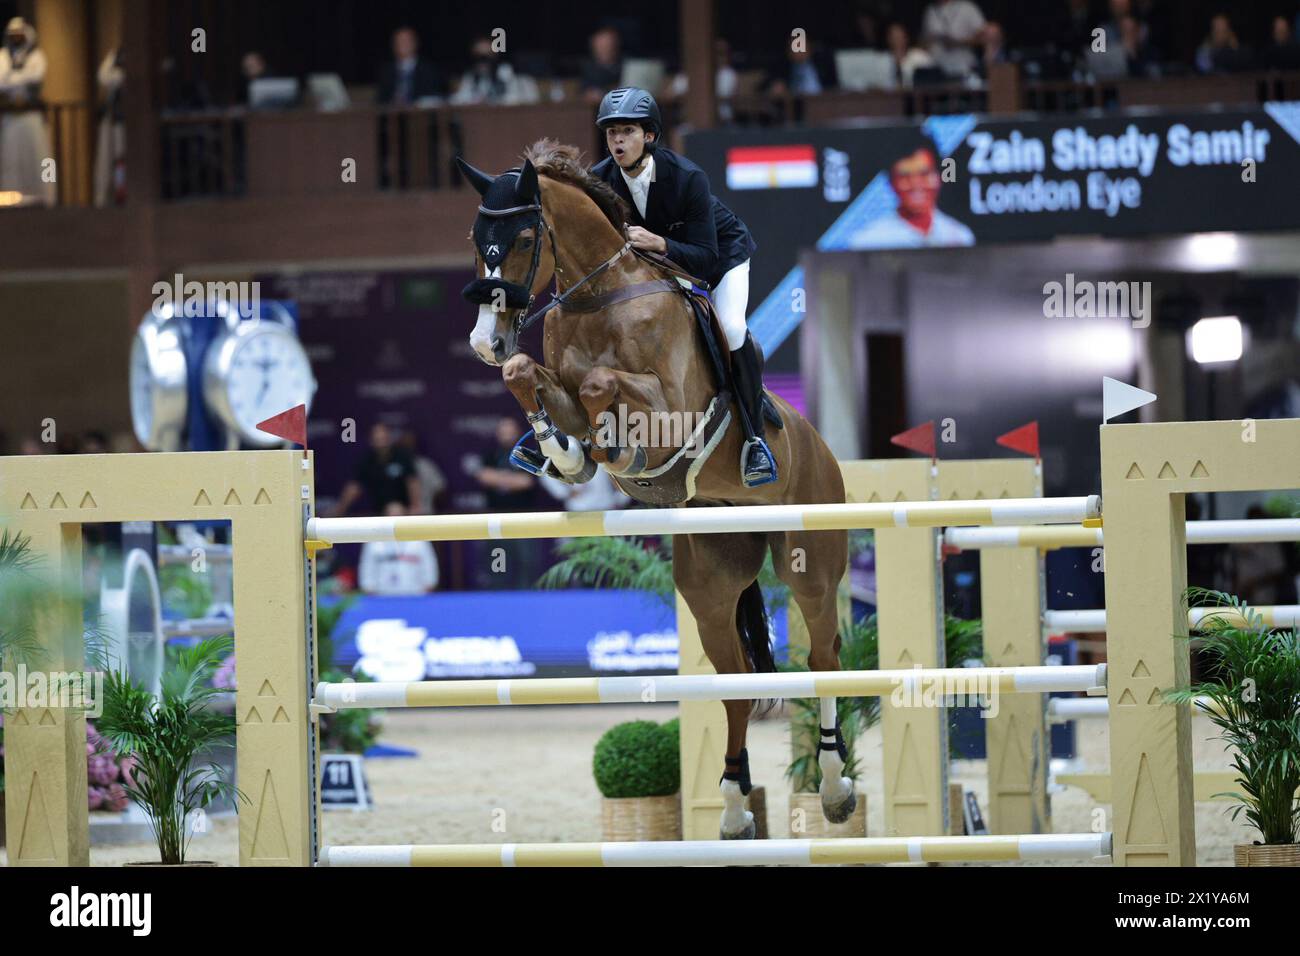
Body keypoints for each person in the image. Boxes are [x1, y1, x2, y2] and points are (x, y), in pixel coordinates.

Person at [589, 87, 776, 487]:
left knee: (731, 327)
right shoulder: (599, 182)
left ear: (650, 136)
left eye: (626, 131)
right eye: (611, 134)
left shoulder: (687, 177)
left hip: (720, 257)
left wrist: (660, 242)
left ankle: (755, 440)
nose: (617, 141)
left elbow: (706, 258)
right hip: (659, 267)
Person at [850, 130, 975, 249]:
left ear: (939, 176)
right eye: (904, 176)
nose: (916, 184)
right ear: (891, 182)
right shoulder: (869, 241)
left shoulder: (960, 236)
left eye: (924, 174)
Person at [0, 17, 56, 206]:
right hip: (10, 118)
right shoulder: (3, 56)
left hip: (32, 116)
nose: (16, 39)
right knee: (11, 160)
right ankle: (13, 201)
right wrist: (18, 78)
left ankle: (48, 197)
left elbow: (36, 75)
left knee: (43, 159)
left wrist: (12, 78)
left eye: (20, 35)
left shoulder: (37, 55)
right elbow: (1, 81)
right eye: (13, 35)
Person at [329, 423, 421, 517]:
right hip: (378, 510)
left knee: (394, 510)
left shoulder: (402, 456)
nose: (381, 443)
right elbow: (354, 487)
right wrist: (340, 509)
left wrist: (415, 506)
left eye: (383, 439)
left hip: (402, 508)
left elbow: (412, 482)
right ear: (371, 441)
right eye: (377, 439)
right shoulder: (367, 461)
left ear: (389, 438)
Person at [358, 502, 439, 594]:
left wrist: (429, 583)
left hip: (415, 595)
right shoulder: (374, 541)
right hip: (381, 596)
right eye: (391, 516)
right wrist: (368, 587)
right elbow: (367, 566)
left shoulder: (419, 539)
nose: (394, 520)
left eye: (398, 515)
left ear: (405, 516)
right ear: (385, 517)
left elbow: (429, 563)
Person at [449, 35, 539, 106]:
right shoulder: (471, 77)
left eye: (486, 57)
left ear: (495, 56)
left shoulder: (507, 75)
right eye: (478, 57)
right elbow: (459, 100)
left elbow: (514, 100)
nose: (482, 62)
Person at [920, 0, 989, 78]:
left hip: (963, 67)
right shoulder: (930, 11)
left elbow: (985, 36)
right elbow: (924, 40)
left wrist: (958, 43)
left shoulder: (967, 7)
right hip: (937, 67)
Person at [376, 26, 444, 105]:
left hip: (421, 114)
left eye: (407, 41)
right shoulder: (387, 72)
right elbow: (380, 100)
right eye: (399, 42)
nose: (403, 45)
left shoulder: (429, 70)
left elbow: (436, 96)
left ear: (415, 43)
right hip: (394, 115)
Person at [93, 47, 125, 207]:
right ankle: (106, 198)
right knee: (110, 161)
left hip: (130, 123)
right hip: (113, 119)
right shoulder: (116, 54)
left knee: (123, 160)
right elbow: (103, 77)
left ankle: (123, 195)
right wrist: (119, 76)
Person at [580, 26, 623, 104]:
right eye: (601, 45)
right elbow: (587, 92)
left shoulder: (625, 67)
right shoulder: (588, 69)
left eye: (608, 44)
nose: (605, 48)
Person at [886, 22, 936, 88]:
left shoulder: (920, 56)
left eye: (899, 36)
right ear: (888, 39)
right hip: (890, 96)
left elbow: (934, 79)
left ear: (906, 37)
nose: (897, 39)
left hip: (916, 95)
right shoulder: (883, 60)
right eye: (894, 36)